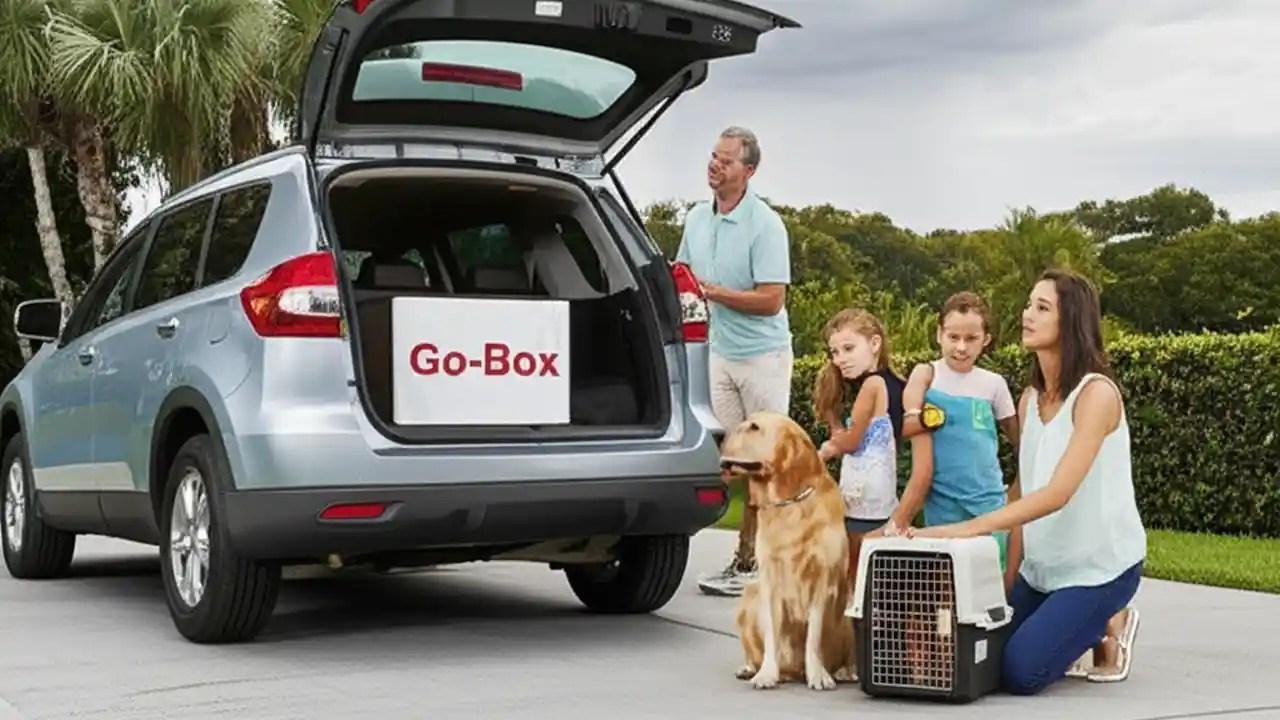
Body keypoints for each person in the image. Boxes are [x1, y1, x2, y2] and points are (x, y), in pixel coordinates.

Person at [907, 268, 1146, 695]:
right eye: (1028, 304)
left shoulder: (1097, 395)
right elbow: (1024, 484)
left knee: (1020, 673)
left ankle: (1113, 620)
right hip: (1042, 571)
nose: (1026, 314)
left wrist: (964, 529)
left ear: (1070, 320)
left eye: (1041, 307)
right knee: (979, 653)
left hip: (1100, 570)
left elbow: (1056, 493)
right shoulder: (1031, 398)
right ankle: (1072, 623)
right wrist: (997, 557)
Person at [675, 126, 794, 597]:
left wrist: (717, 294)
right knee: (724, 460)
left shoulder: (766, 224)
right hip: (718, 355)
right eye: (713, 156)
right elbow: (682, 276)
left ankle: (760, 562)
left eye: (725, 160)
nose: (715, 165)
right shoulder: (696, 219)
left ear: (749, 171)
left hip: (763, 358)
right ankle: (745, 560)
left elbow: (772, 300)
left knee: (764, 465)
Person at [893, 291, 1020, 585]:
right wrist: (915, 412)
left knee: (991, 583)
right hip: (943, 505)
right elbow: (912, 397)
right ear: (939, 334)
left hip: (989, 503)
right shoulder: (927, 373)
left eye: (971, 338)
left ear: (985, 339)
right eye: (953, 337)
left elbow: (1020, 442)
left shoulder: (994, 385)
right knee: (944, 586)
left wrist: (1015, 493)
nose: (961, 347)